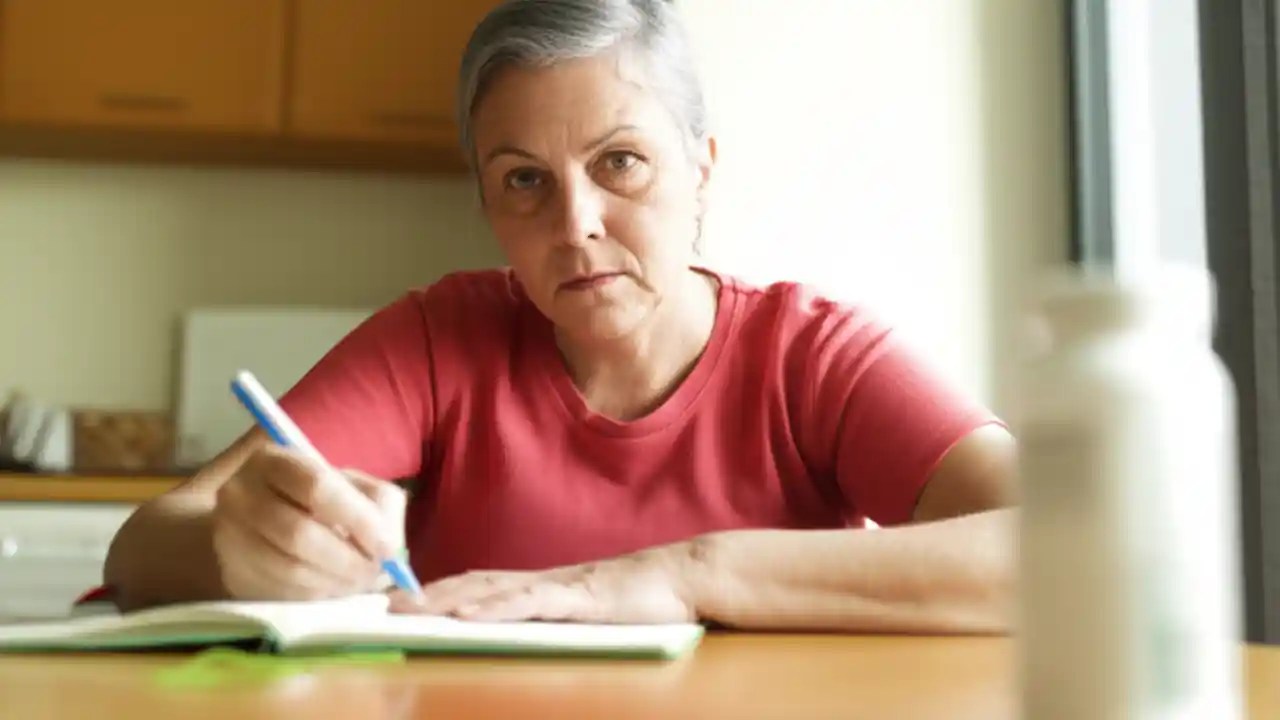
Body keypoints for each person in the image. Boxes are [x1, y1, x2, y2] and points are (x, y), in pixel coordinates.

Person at [104, 0, 1017, 632]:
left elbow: (1063, 545)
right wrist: (244, 553)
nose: (574, 224)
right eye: (524, 181)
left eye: (620, 162)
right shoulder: (438, 341)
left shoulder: (814, 358)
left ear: (700, 167)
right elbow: (144, 545)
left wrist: (682, 576)